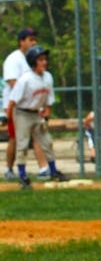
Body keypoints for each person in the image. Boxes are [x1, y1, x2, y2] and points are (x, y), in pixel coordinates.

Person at [6, 45, 67, 188]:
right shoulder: (25, 79)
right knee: (22, 145)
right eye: (40, 60)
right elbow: (13, 100)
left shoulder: (48, 77)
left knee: (47, 142)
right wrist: (8, 118)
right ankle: (23, 177)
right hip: (22, 113)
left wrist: (47, 114)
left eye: (45, 59)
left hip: (36, 114)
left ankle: (53, 172)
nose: (44, 62)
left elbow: (49, 99)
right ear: (33, 62)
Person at [2, 28, 50, 179]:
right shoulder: (13, 59)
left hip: (32, 106)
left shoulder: (34, 58)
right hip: (15, 106)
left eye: (34, 39)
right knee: (15, 139)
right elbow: (12, 83)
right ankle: (9, 169)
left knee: (37, 135)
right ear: (21, 41)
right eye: (30, 39)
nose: (33, 42)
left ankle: (44, 169)